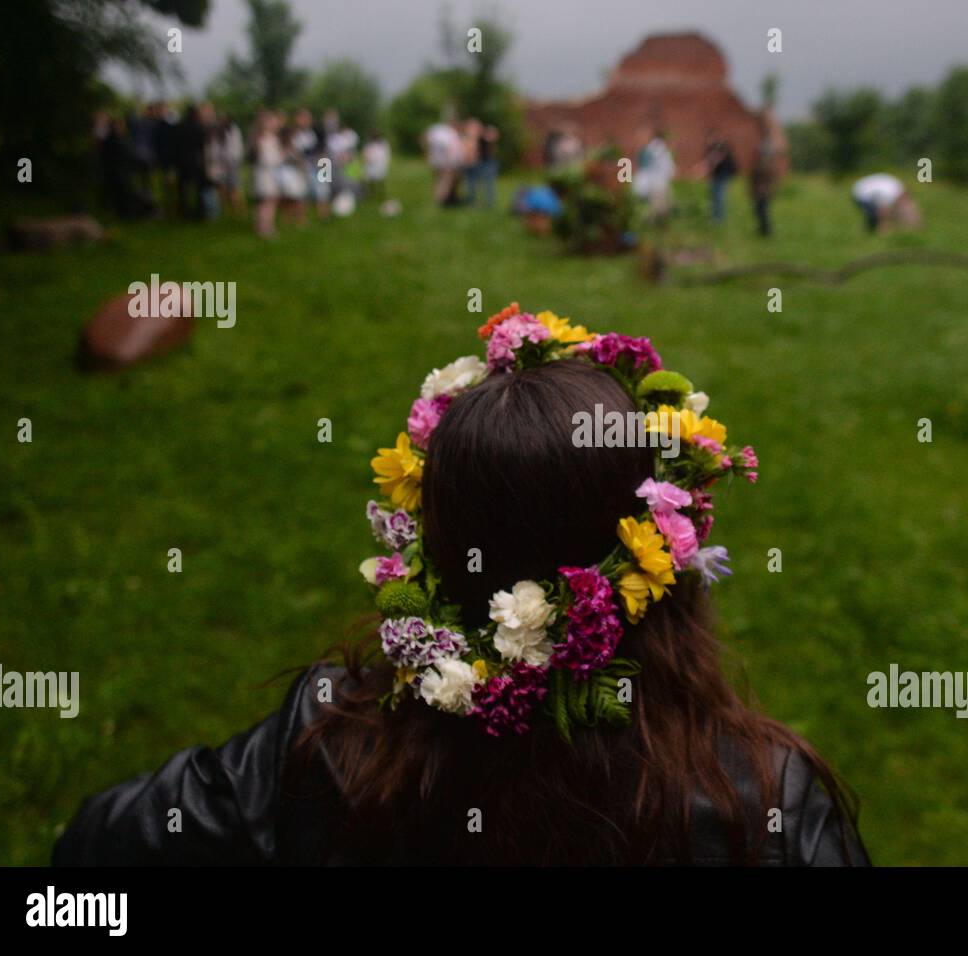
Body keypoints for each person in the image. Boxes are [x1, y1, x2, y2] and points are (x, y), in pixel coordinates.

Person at [52, 315, 870, 866]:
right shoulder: (763, 801)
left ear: (432, 549)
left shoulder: (327, 747)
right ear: (667, 550)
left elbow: (95, 850)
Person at [851, 172, 920, 234]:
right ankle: (881, 233)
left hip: (863, 187)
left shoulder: (897, 188)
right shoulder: (890, 193)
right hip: (862, 193)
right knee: (882, 217)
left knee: (880, 215)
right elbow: (883, 211)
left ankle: (872, 231)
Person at [749, 113, 783, 237]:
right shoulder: (760, 164)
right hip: (760, 190)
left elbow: (770, 178)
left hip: (764, 191)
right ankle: (763, 230)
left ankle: (767, 231)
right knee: (759, 211)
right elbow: (754, 177)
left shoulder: (767, 165)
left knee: (763, 211)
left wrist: (769, 189)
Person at [250, 110, 283, 238]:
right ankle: (266, 228)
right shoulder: (265, 139)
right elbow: (269, 160)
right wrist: (281, 156)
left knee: (263, 202)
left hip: (264, 174)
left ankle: (260, 225)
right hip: (267, 175)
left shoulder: (261, 138)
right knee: (268, 202)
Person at [633, 128, 676, 225]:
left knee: (663, 206)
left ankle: (653, 223)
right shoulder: (657, 149)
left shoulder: (653, 149)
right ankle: (649, 222)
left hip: (658, 182)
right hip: (657, 183)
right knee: (659, 207)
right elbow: (664, 166)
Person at [696, 128, 738, 223]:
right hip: (717, 175)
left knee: (718, 196)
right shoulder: (712, 147)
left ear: (716, 137)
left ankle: (719, 219)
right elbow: (709, 161)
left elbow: (714, 159)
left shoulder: (721, 146)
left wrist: (701, 170)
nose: (708, 140)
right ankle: (716, 216)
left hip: (723, 175)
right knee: (714, 195)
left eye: (710, 138)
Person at [424, 116, 462, 206]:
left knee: (439, 180)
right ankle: (441, 201)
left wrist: (427, 153)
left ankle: (446, 199)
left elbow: (425, 139)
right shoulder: (450, 133)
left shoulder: (436, 130)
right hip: (447, 163)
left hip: (436, 161)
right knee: (445, 182)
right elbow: (449, 148)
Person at [362, 129, 391, 202]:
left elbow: (386, 156)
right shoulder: (369, 144)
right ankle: (372, 193)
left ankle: (380, 194)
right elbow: (366, 155)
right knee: (371, 180)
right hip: (371, 165)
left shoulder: (383, 144)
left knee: (380, 180)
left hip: (380, 166)